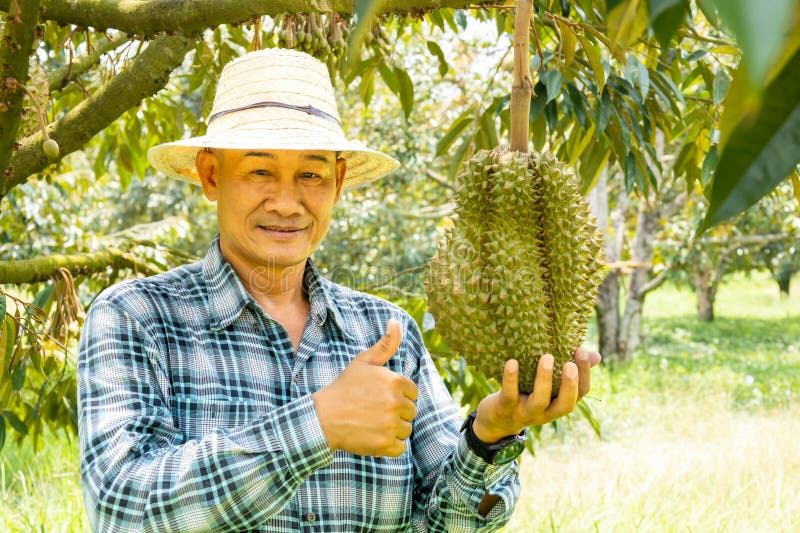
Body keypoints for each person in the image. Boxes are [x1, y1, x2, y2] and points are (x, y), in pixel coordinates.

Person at [78, 48, 601, 532]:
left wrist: (489, 435)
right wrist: (317, 425)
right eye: (260, 170)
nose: (287, 201)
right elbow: (122, 508)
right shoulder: (136, 318)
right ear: (212, 175)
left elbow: (448, 522)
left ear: (339, 181)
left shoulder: (387, 332)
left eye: (311, 173)